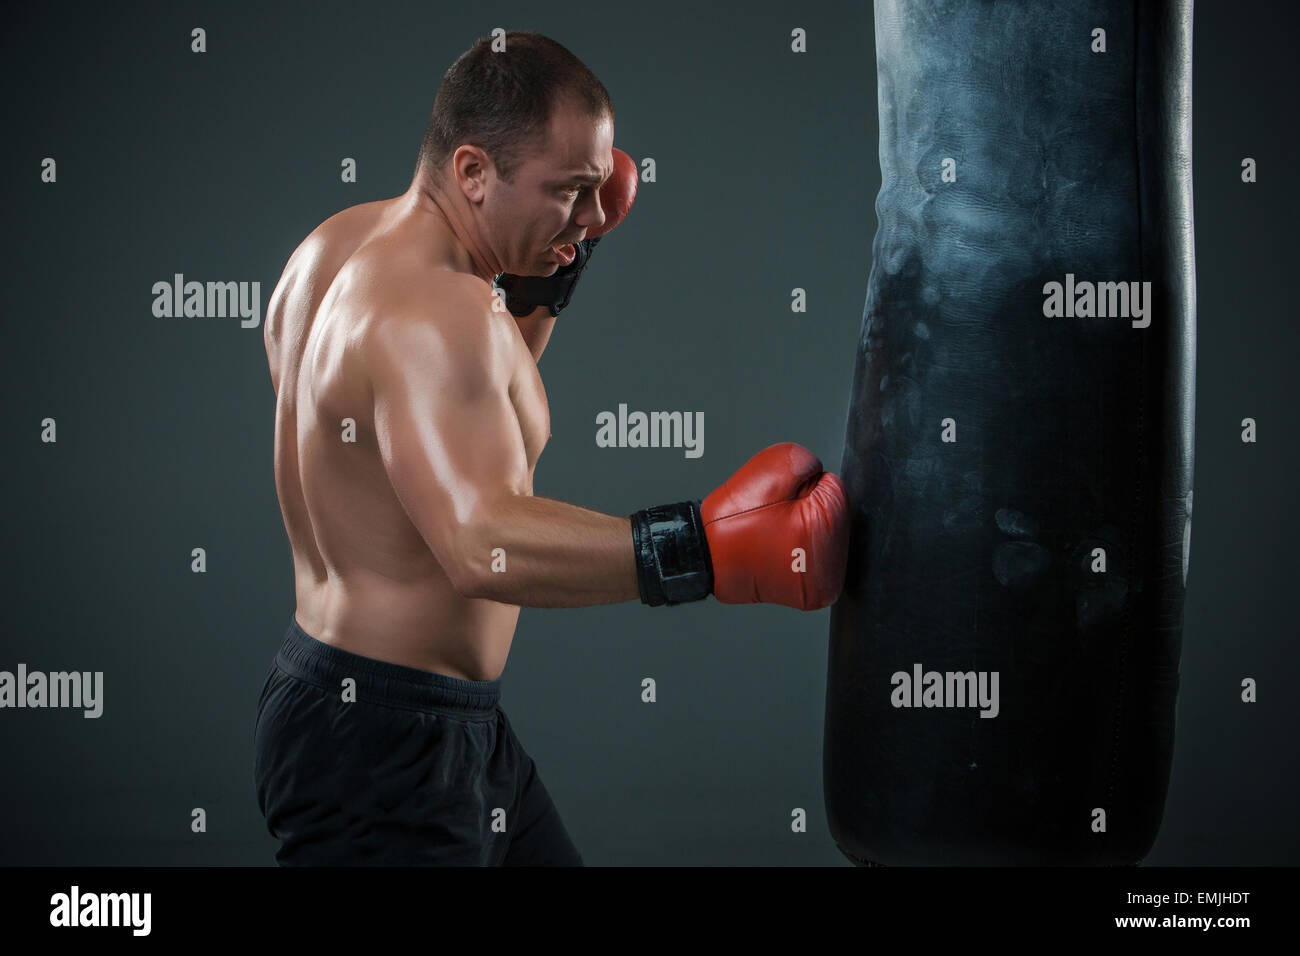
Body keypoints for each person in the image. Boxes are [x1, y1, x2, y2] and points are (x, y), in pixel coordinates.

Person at [254, 30, 850, 866]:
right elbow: (479, 545)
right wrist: (702, 551)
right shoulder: (437, 311)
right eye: (569, 193)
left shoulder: (335, 249)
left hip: (401, 713)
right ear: (472, 171)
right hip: (386, 748)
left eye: (597, 191)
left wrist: (549, 277)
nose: (591, 216)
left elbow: (458, 421)